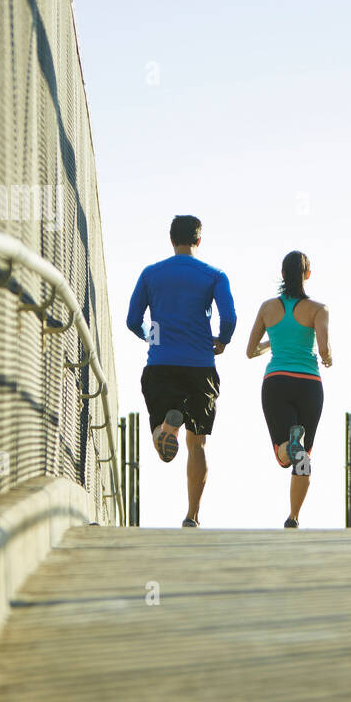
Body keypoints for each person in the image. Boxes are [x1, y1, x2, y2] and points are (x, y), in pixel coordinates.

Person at [126, 214, 236, 527]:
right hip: (200, 366)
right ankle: (192, 515)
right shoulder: (214, 275)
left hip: (160, 363)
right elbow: (228, 318)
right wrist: (222, 341)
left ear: (171, 240)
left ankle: (166, 428)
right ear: (198, 240)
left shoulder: (151, 274)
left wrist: (153, 336)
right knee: (198, 443)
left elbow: (133, 321)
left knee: (163, 446)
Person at [246, 250, 331, 528]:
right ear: (308, 274)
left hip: (277, 381)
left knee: (285, 455)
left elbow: (249, 351)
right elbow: (324, 350)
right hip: (309, 383)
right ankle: (293, 517)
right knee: (303, 457)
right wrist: (328, 359)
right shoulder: (318, 309)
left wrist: (273, 343)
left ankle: (290, 445)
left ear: (282, 274)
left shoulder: (267, 308)